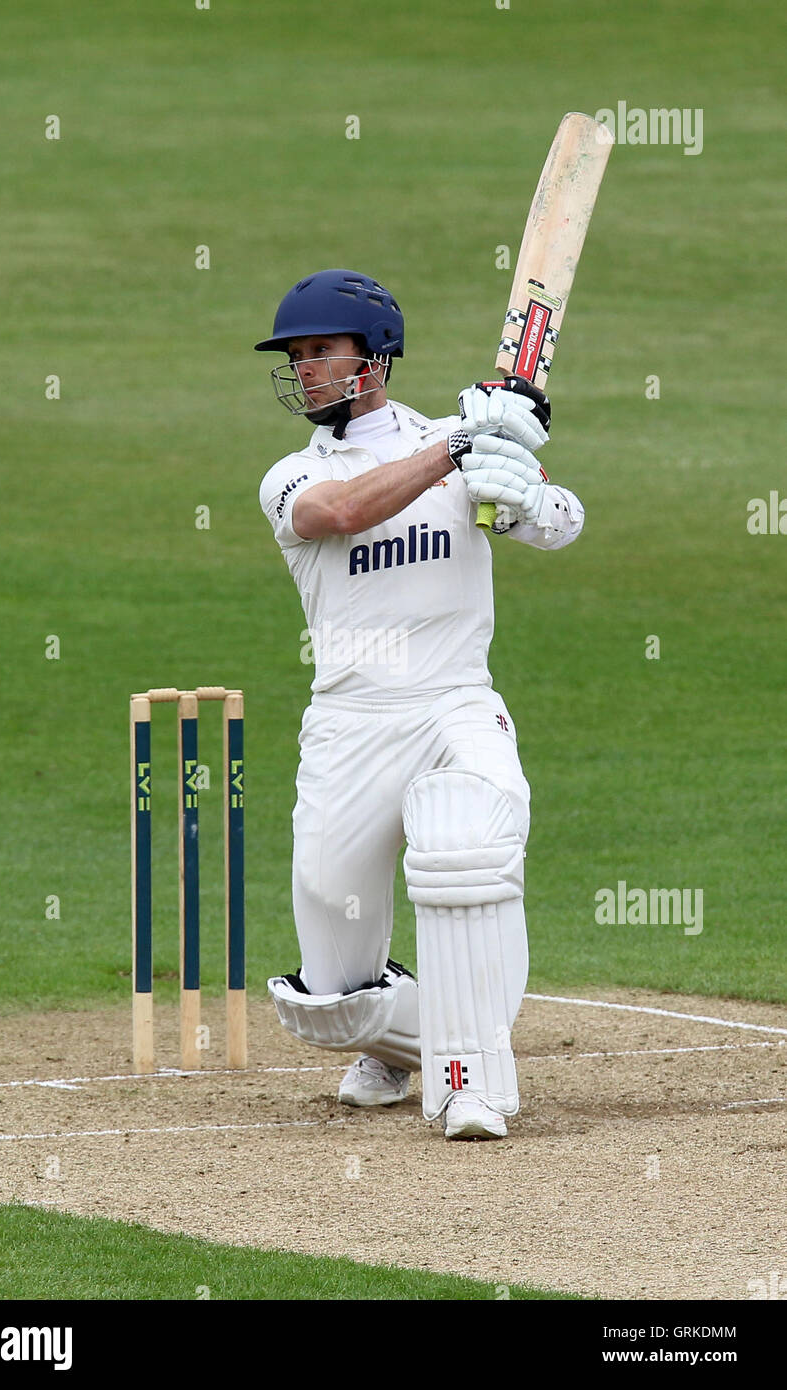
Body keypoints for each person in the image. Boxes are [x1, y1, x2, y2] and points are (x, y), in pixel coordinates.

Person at [256, 269, 583, 1139]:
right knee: (327, 999)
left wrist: (518, 493)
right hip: (350, 726)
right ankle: (399, 1045)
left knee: (466, 849)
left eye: (322, 350)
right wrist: (461, 448)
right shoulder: (292, 477)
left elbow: (563, 522)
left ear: (374, 359)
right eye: (298, 355)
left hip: (453, 704)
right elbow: (345, 511)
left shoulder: (461, 440)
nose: (307, 368)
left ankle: (469, 1080)